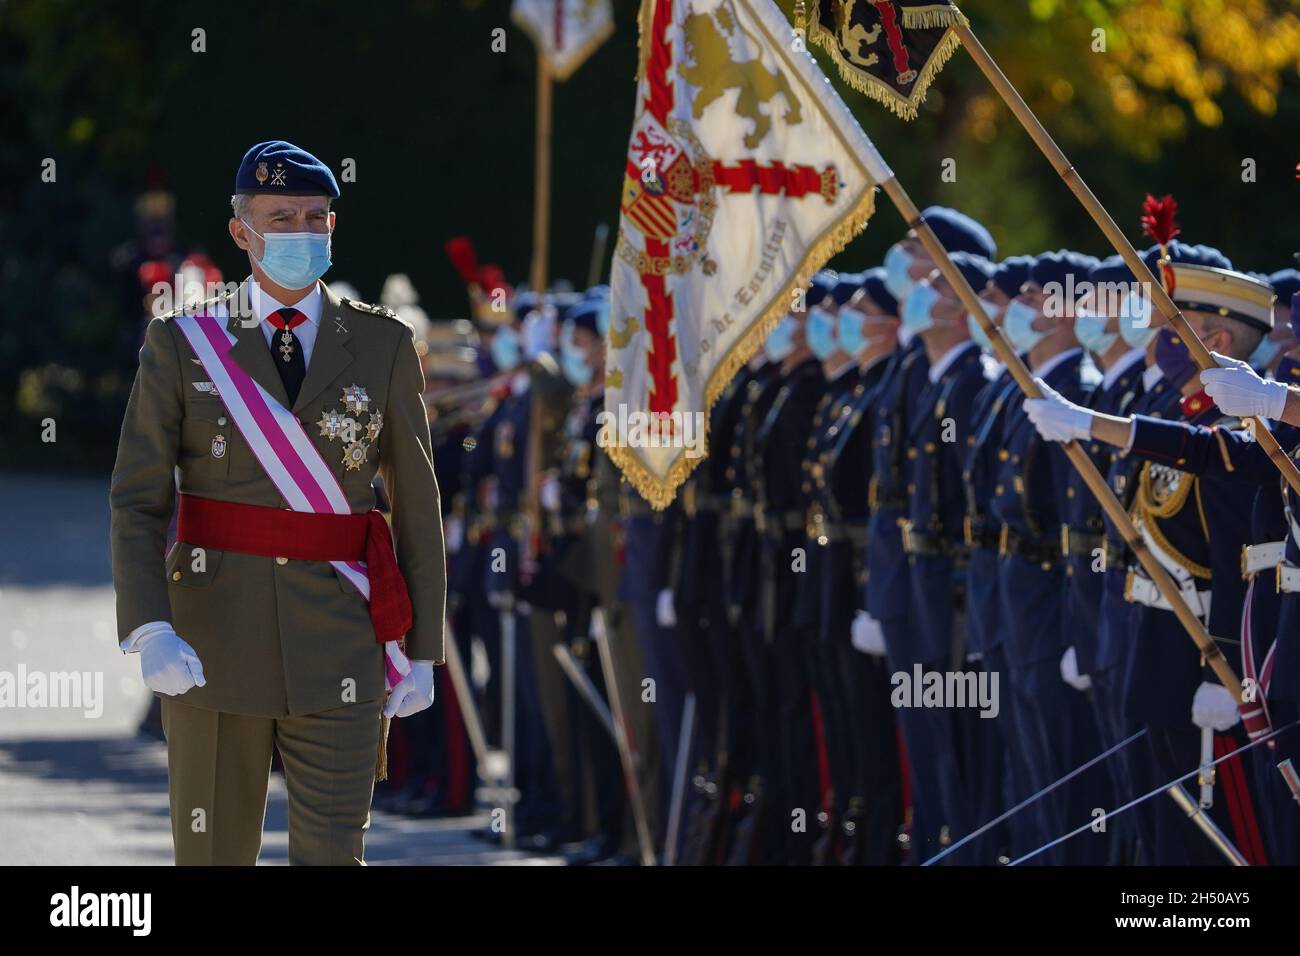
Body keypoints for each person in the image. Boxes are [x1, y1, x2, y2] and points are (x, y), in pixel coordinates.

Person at [110, 140, 445, 865]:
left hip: (342, 638)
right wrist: (148, 628)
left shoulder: (383, 345)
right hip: (211, 641)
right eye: (280, 216)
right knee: (214, 855)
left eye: (315, 217)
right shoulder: (183, 345)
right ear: (242, 232)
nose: (300, 231)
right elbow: (137, 502)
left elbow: (417, 504)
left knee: (333, 857)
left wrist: (423, 651)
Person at [1025, 246, 1276, 864]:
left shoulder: (1240, 421)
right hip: (1152, 637)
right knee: (1160, 826)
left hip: (1203, 650)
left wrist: (1226, 676)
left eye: (1168, 329)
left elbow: (1238, 552)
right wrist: (1085, 424)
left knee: (1209, 836)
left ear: (1216, 336)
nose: (1154, 342)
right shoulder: (1173, 406)